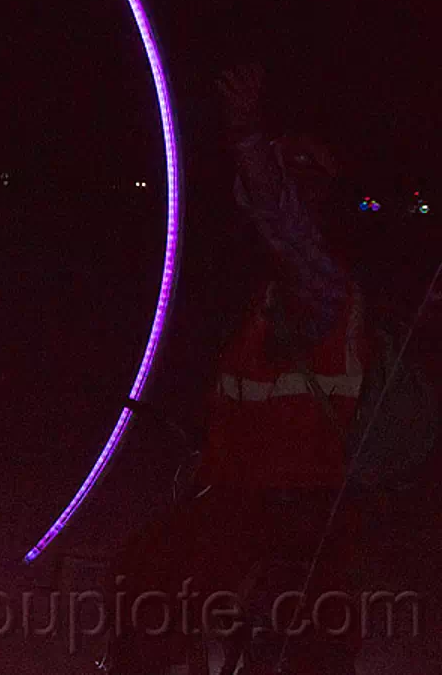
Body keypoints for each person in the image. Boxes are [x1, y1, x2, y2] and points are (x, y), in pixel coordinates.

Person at [104, 64, 370, 674]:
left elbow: (283, 222)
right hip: (242, 493)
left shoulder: (322, 285)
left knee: (302, 635)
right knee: (144, 572)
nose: (271, 198)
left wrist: (248, 135)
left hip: (299, 502)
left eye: (294, 180)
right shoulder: (265, 294)